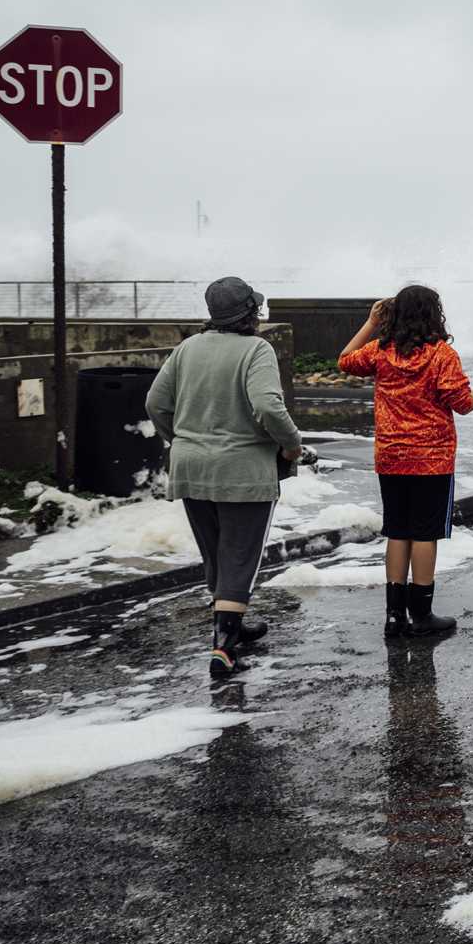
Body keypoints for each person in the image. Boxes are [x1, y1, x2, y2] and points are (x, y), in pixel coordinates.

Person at [146, 276, 306, 680]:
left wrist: (182, 440)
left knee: (216, 551)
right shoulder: (256, 349)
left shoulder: (187, 348)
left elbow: (155, 403)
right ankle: (224, 648)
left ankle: (233, 622)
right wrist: (290, 444)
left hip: (191, 466)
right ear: (251, 313)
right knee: (240, 557)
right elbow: (268, 406)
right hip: (242, 470)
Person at [338, 286, 473, 637]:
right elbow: (464, 404)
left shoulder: (381, 351)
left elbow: (345, 359)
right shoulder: (442, 355)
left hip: (391, 456)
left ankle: (394, 616)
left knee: (398, 530)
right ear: (433, 314)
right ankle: (421, 614)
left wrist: (371, 323)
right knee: (425, 534)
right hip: (431, 459)